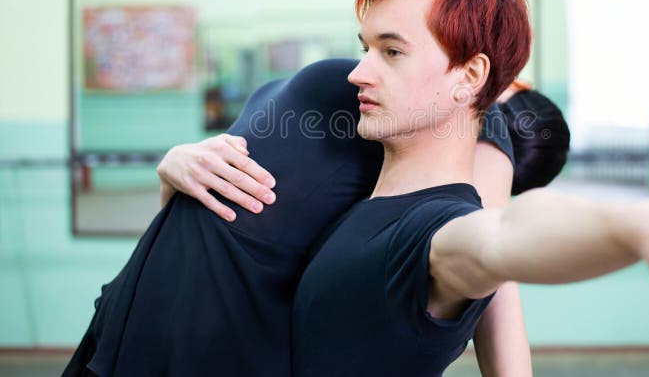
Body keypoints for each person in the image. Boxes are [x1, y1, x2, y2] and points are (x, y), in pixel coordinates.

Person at [276, 0, 649, 376]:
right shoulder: (369, 199)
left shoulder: (435, 229)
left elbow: (502, 238)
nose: (358, 73)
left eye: (392, 52)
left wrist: (644, 223)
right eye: (365, 47)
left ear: (470, 76)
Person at [64, 55, 567, 374]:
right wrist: (174, 167)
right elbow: (204, 222)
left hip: (192, 344)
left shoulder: (484, 128)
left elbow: (494, 251)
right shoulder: (379, 113)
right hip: (128, 322)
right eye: (375, 46)